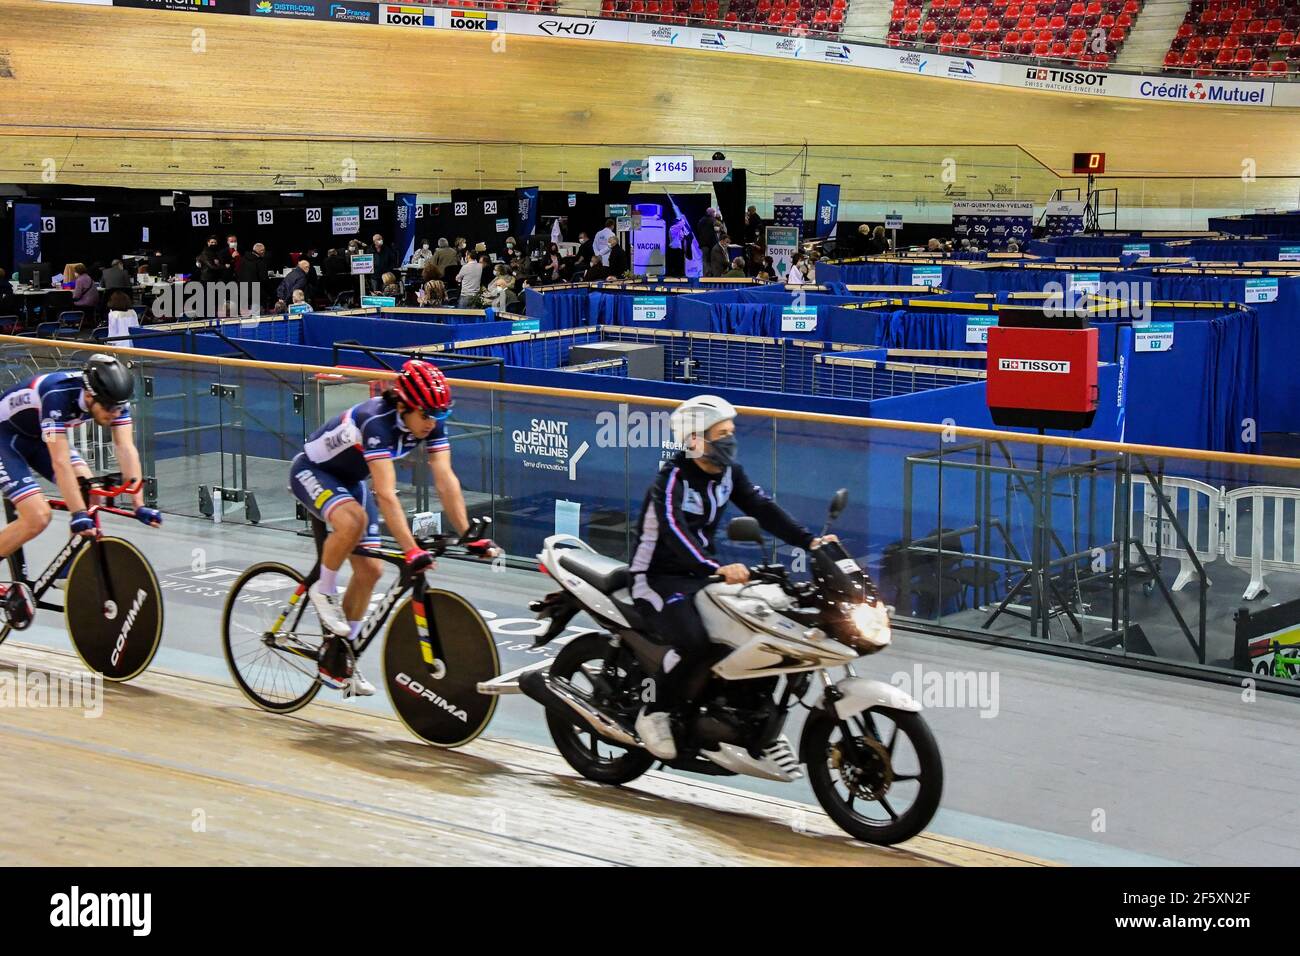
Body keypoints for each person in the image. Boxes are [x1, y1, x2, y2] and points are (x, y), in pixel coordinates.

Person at [628, 395, 833, 759]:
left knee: (753, 629)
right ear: (695, 440)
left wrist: (811, 541)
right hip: (656, 577)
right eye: (721, 434)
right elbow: (675, 532)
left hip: (701, 575)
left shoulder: (729, 474)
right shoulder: (672, 479)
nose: (730, 440)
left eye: (731, 432)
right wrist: (714, 567)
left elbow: (763, 509)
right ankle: (654, 712)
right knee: (696, 644)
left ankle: (737, 717)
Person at [289, 360, 498, 695]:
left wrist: (468, 536)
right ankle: (324, 590)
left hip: (351, 481)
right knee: (353, 520)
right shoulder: (377, 422)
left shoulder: (430, 420)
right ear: (403, 405)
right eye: (427, 415)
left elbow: (445, 480)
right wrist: (411, 550)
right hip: (313, 470)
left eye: (439, 416)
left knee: (370, 571)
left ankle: (341, 658)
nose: (433, 423)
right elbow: (385, 492)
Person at [0, 355, 159, 616]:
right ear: (89, 396)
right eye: (109, 409)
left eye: (119, 409)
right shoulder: (57, 394)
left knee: (88, 489)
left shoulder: (113, 400)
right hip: (6, 439)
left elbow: (126, 447)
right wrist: (78, 515)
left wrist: (138, 502)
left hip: (39, 436)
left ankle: (67, 570)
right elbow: (61, 462)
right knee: (38, 516)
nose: (114, 414)